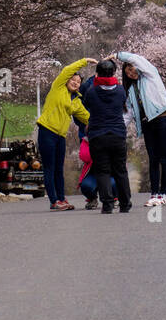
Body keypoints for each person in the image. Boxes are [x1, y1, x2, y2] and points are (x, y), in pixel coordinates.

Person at [35, 57, 96, 211]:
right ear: (67, 80)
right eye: (73, 80)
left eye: (78, 82)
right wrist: (84, 61)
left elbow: (86, 117)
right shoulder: (58, 87)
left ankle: (61, 198)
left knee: (58, 169)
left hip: (60, 136)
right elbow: (67, 70)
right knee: (49, 168)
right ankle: (54, 201)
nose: (75, 83)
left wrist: (103, 124)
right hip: (47, 131)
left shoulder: (76, 101)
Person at [116, 50, 166, 207]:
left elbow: (137, 59)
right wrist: (118, 128)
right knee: (153, 159)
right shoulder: (130, 90)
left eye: (132, 68)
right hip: (147, 124)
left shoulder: (150, 75)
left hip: (161, 118)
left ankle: (163, 193)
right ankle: (154, 193)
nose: (131, 73)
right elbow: (128, 114)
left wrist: (117, 56)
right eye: (127, 72)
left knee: (164, 157)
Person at [80, 58, 132, 214]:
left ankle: (107, 204)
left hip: (98, 135)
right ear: (114, 72)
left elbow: (87, 104)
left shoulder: (92, 91)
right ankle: (125, 203)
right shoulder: (120, 90)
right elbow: (123, 103)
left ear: (97, 74)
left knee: (102, 171)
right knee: (120, 170)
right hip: (117, 134)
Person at [77, 132, 116, 210]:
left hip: (108, 173)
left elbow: (113, 156)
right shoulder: (86, 140)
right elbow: (85, 157)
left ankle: (114, 199)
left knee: (114, 183)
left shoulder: (110, 138)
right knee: (85, 186)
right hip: (92, 174)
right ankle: (92, 199)